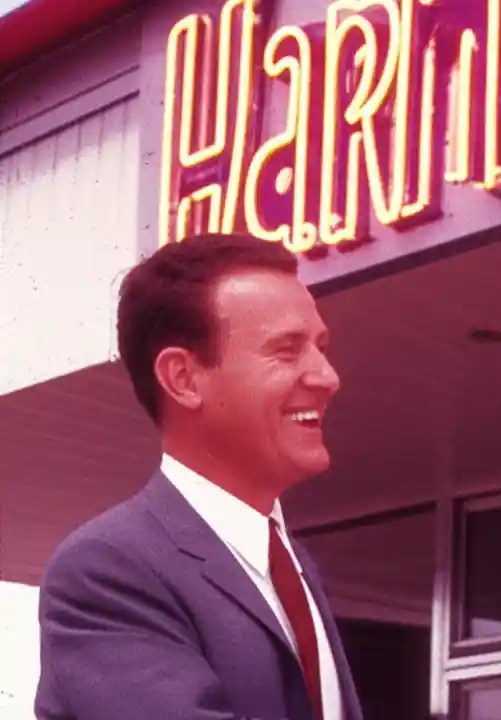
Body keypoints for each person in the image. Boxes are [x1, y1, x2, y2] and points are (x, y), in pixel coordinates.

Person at [35, 233, 361, 720]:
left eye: (320, 347)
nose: (327, 376)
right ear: (183, 379)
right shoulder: (107, 570)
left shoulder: (296, 569)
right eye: (288, 351)